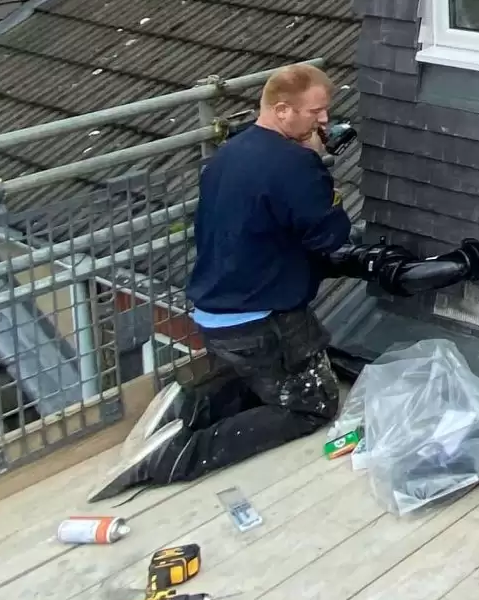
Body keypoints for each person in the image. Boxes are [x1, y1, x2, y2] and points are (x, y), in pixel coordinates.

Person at [95, 62, 359, 498]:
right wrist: (318, 166)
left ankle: (186, 406)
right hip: (260, 318)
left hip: (215, 313)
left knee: (265, 379)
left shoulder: (231, 153)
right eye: (316, 112)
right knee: (313, 403)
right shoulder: (295, 165)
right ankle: (180, 454)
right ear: (281, 110)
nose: (325, 121)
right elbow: (331, 235)